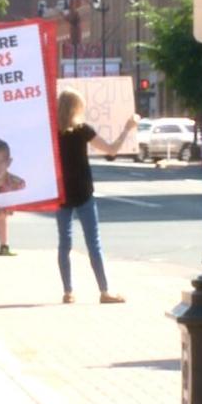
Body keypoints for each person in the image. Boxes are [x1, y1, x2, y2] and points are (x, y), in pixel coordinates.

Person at [55, 88, 137, 304]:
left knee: (65, 244)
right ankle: (104, 290)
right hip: (84, 192)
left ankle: (68, 291)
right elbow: (111, 150)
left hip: (61, 194)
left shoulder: (52, 133)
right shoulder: (83, 131)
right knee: (94, 243)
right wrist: (127, 129)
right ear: (76, 108)